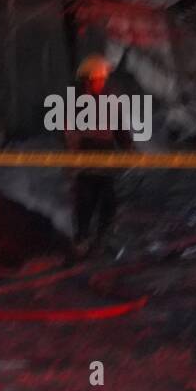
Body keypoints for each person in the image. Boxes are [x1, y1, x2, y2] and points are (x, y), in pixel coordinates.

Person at [66, 54, 132, 256]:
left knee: (108, 203)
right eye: (98, 79)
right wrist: (72, 160)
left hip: (105, 163)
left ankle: (101, 240)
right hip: (85, 163)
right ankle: (81, 240)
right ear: (89, 80)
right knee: (84, 202)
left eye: (103, 79)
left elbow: (120, 129)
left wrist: (128, 148)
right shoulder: (76, 103)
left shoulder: (111, 101)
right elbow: (69, 135)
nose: (101, 82)